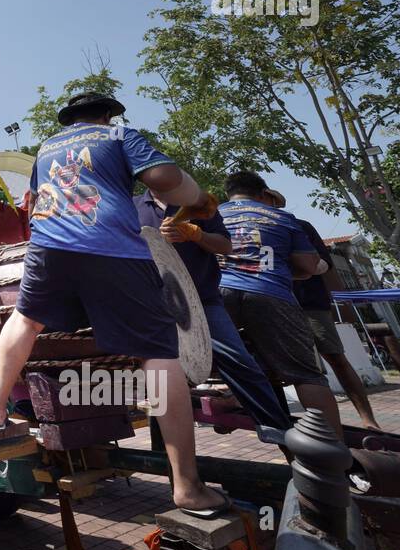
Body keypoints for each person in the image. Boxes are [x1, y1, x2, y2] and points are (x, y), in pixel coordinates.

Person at [0, 92, 230, 517]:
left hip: (47, 247)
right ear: (105, 115)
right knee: (159, 351)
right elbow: (166, 178)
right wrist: (196, 192)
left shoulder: (44, 148)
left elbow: (34, 203)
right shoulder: (118, 135)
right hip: (111, 247)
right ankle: (187, 487)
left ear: (69, 120)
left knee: (25, 319)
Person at [134, 189, 292, 431]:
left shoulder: (196, 202)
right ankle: (172, 444)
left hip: (203, 301)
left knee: (239, 361)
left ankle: (276, 428)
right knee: (160, 373)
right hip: (154, 305)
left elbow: (225, 246)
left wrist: (195, 234)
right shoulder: (132, 206)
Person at [217, 171, 342, 435]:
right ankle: (332, 451)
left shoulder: (213, 215)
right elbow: (308, 265)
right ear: (263, 194)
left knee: (223, 360)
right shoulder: (283, 218)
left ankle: (234, 403)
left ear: (228, 193)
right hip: (272, 293)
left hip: (221, 295)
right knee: (306, 374)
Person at [265, 189, 380, 430]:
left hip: (309, 302)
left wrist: (298, 267)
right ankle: (306, 424)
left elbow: (324, 263)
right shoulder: (253, 231)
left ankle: (368, 418)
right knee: (289, 365)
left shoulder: (299, 226)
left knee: (335, 356)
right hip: (274, 303)